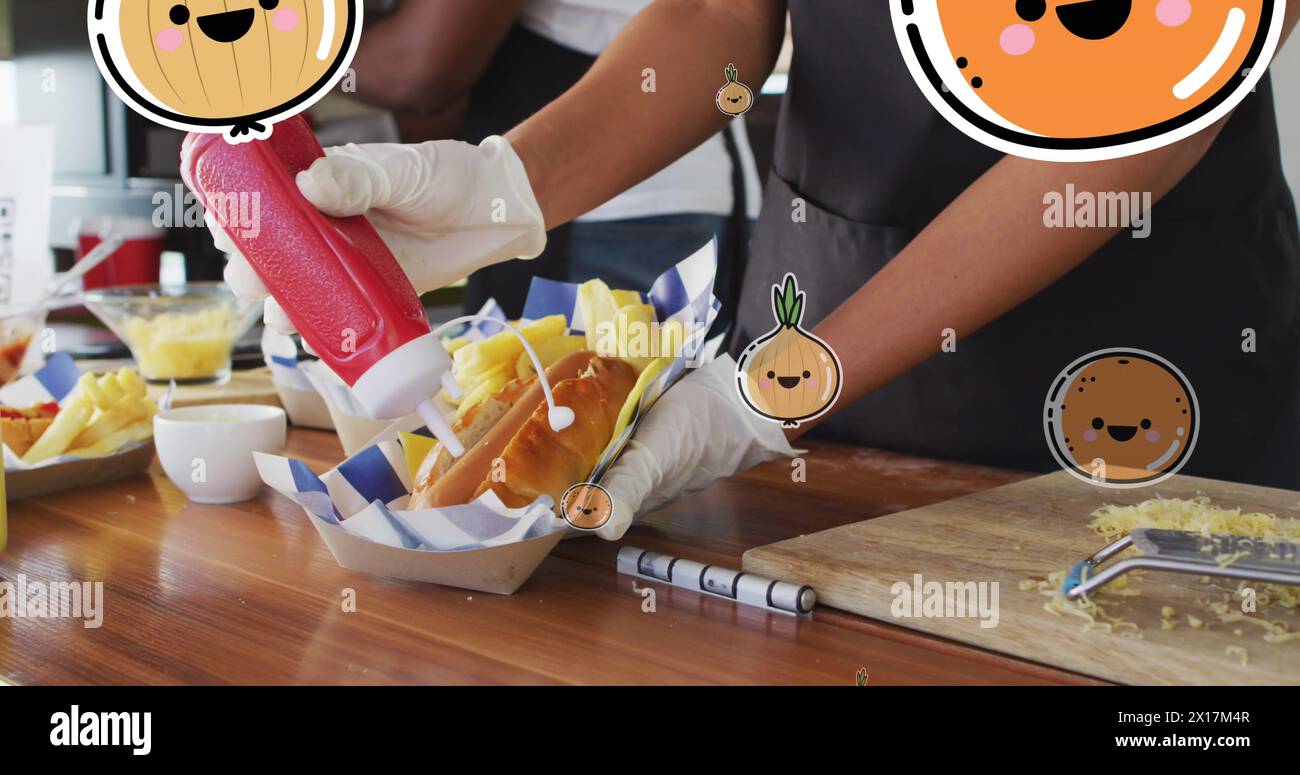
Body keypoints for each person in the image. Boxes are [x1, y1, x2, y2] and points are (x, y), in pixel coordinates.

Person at [220, 2, 1300, 538]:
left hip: (1143, 365)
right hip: (822, 326)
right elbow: (715, 11)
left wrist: (785, 384)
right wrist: (507, 184)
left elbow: (1141, 114)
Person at [343, 0, 761, 322]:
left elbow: (418, 66)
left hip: (592, 210)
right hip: (666, 188)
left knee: (550, 413)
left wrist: (295, 57)